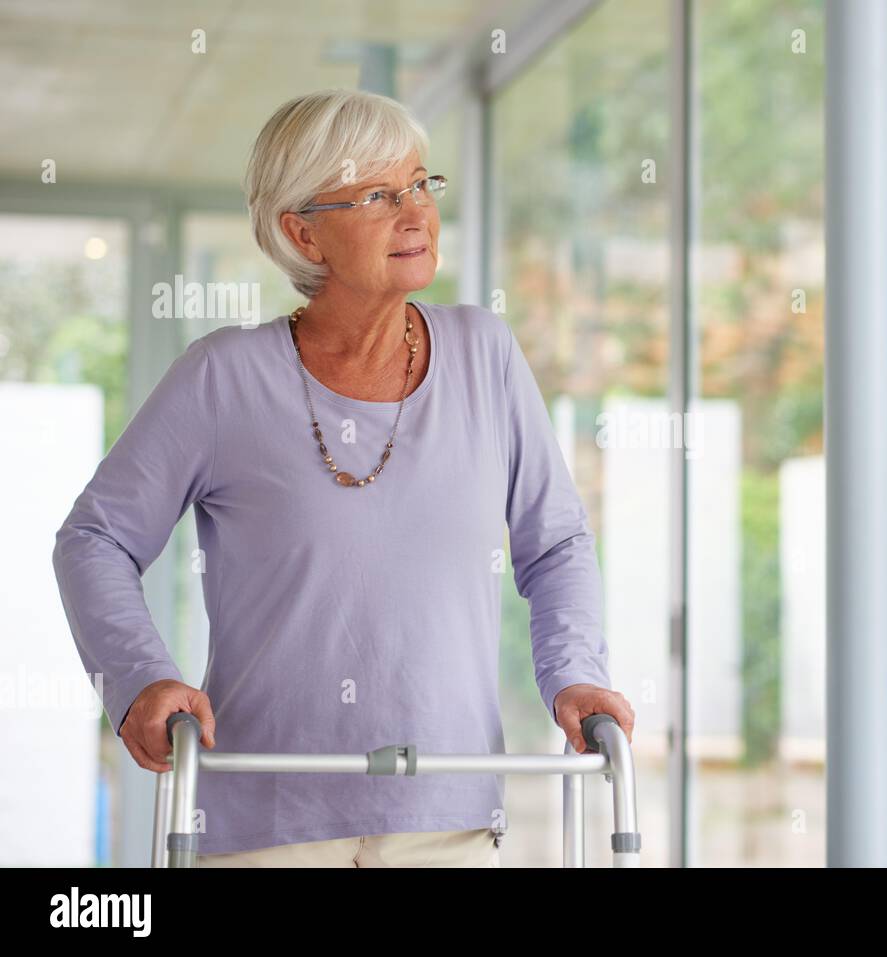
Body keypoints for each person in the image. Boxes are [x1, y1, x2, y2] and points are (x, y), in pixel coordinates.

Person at [51, 88, 634, 867]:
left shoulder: (484, 355)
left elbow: (556, 542)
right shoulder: (223, 378)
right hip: (267, 815)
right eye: (377, 195)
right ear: (303, 233)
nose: (415, 212)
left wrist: (575, 674)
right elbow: (94, 538)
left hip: (446, 813)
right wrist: (140, 680)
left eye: (422, 184)